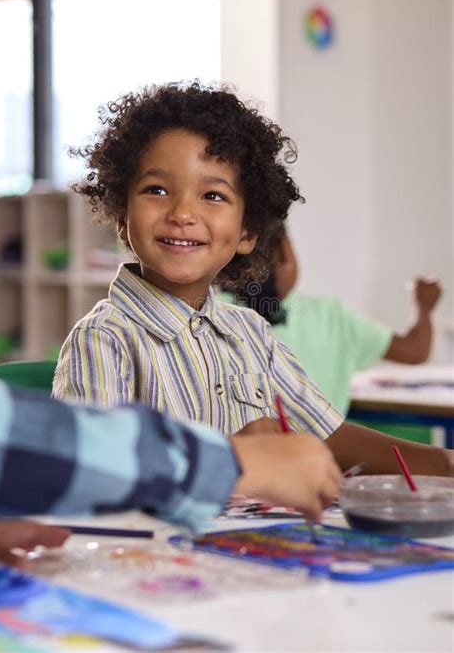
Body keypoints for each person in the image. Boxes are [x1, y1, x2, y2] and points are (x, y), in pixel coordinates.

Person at [52, 82, 453, 477]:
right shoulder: (105, 339)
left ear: (247, 233)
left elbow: (328, 434)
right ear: (122, 219)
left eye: (212, 196)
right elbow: (92, 474)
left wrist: (442, 463)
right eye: (157, 189)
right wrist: (230, 459)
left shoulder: (251, 335)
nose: (182, 213)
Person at [0, 373, 340, 532]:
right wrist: (237, 462)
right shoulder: (103, 334)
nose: (184, 214)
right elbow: (70, 449)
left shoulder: (251, 328)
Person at [222, 229, 443, 414]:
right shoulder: (331, 317)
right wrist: (424, 306)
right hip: (323, 459)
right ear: (284, 253)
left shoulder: (211, 310)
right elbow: (416, 350)